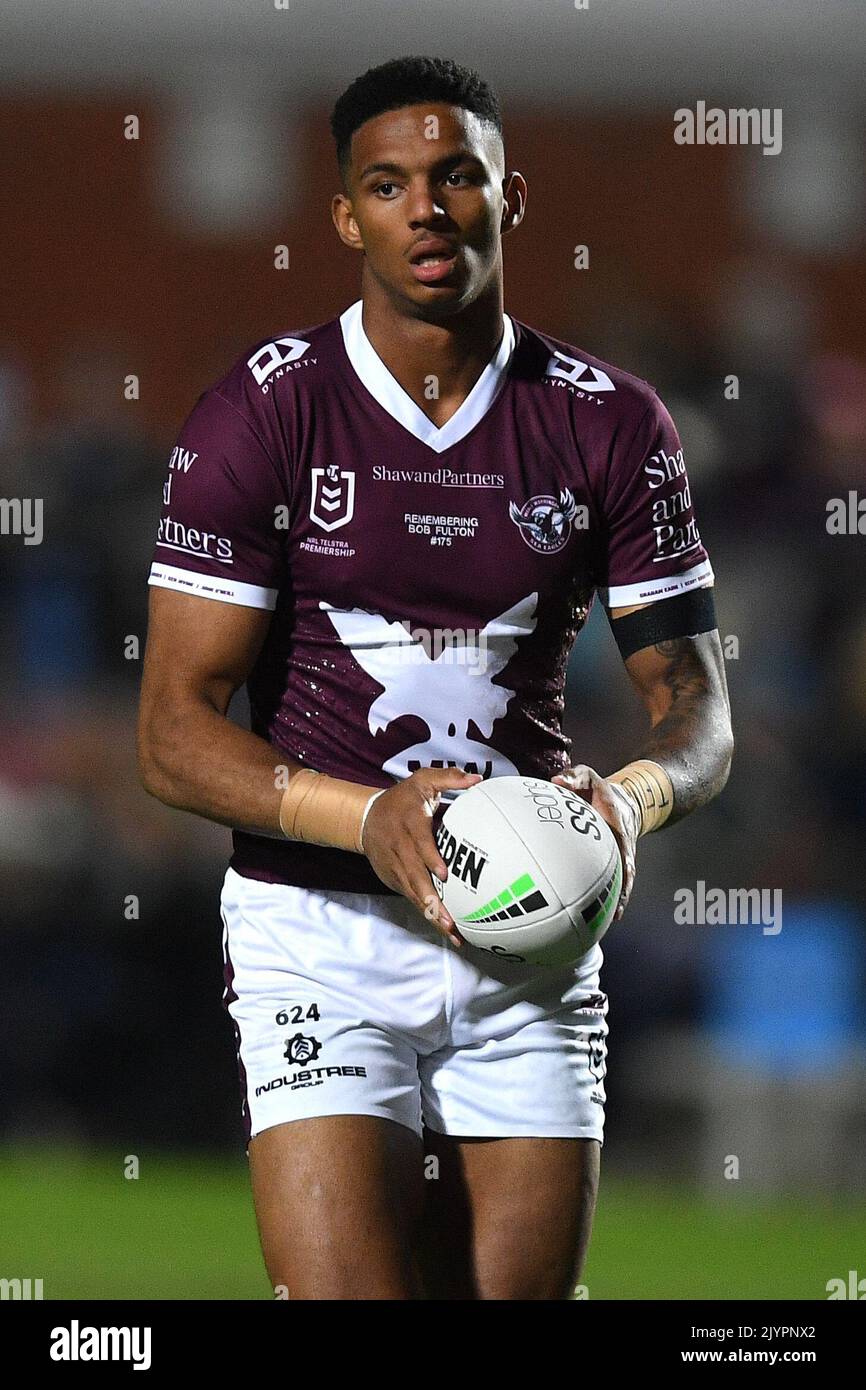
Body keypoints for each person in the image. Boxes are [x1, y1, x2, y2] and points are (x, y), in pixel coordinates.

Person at [137, 54, 733, 1300]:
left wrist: (623, 804)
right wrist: (368, 817)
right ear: (346, 216)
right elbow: (172, 736)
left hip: (531, 936)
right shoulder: (262, 412)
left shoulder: (610, 422)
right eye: (390, 184)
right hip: (317, 928)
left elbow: (698, 714)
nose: (427, 208)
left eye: (456, 175)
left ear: (508, 198)